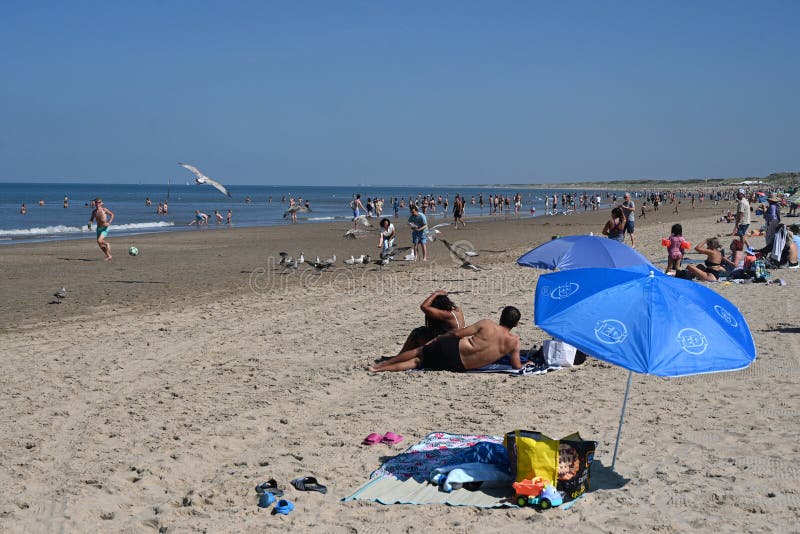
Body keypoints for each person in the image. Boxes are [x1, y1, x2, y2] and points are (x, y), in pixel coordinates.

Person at [369, 306, 522, 372]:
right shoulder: (514, 342)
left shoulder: (487, 324)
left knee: (420, 350)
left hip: (454, 348)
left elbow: (457, 334)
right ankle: (382, 369)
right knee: (417, 363)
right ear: (516, 324)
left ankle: (380, 366)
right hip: (459, 365)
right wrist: (525, 364)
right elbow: (516, 366)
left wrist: (440, 338)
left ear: (501, 317)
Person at [399, 290, 466, 352]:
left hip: (451, 345)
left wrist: (436, 293)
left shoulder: (447, 315)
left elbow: (424, 306)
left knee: (417, 333)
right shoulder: (457, 310)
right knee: (426, 331)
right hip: (459, 343)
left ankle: (400, 356)